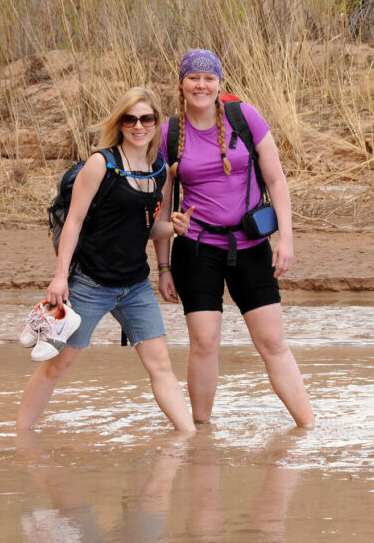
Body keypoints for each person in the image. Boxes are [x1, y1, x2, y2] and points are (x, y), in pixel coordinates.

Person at [17, 87, 196, 433]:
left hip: (135, 286)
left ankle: (190, 440)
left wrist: (175, 230)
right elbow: (74, 221)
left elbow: (150, 229)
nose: (138, 126)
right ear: (120, 122)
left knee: (160, 365)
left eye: (146, 118)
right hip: (90, 283)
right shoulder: (102, 164)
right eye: (130, 119)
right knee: (56, 365)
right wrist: (60, 278)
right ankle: (21, 438)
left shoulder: (159, 169)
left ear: (156, 122)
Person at [154, 50, 314, 427]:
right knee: (205, 343)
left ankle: (309, 427)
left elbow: (276, 181)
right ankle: (201, 434)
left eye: (208, 78)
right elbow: (162, 209)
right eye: (193, 78)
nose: (201, 85)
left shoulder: (246, 118)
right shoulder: (168, 133)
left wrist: (286, 239)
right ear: (182, 83)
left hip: (252, 245)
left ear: (219, 83)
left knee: (272, 342)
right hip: (194, 249)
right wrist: (162, 267)